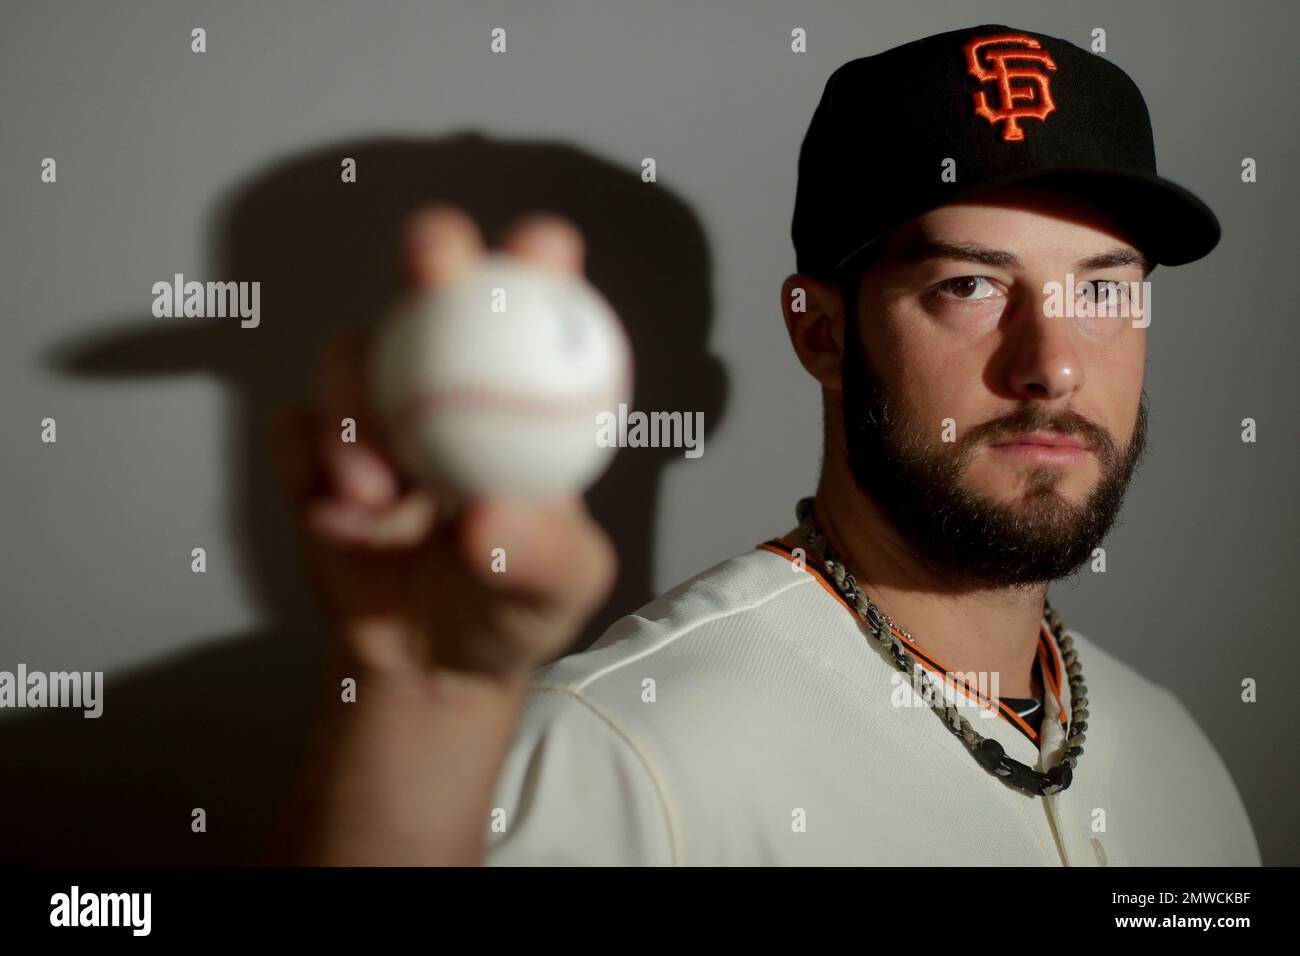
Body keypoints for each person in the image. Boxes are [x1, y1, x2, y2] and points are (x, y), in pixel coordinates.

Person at [268, 24, 1261, 865]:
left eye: (1102, 289)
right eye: (969, 285)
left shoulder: (1177, 753)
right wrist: (422, 703)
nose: (1053, 367)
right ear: (820, 332)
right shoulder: (625, 748)